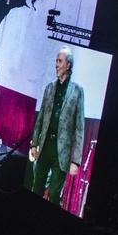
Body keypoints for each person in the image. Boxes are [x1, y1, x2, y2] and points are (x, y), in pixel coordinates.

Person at [26, 47, 85, 206]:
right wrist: (34, 143)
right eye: (56, 61)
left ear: (68, 65)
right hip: (45, 145)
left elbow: (80, 128)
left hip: (62, 152)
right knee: (36, 186)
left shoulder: (77, 91)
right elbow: (41, 118)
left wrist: (76, 161)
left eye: (60, 61)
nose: (56, 65)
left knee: (53, 194)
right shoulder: (49, 87)